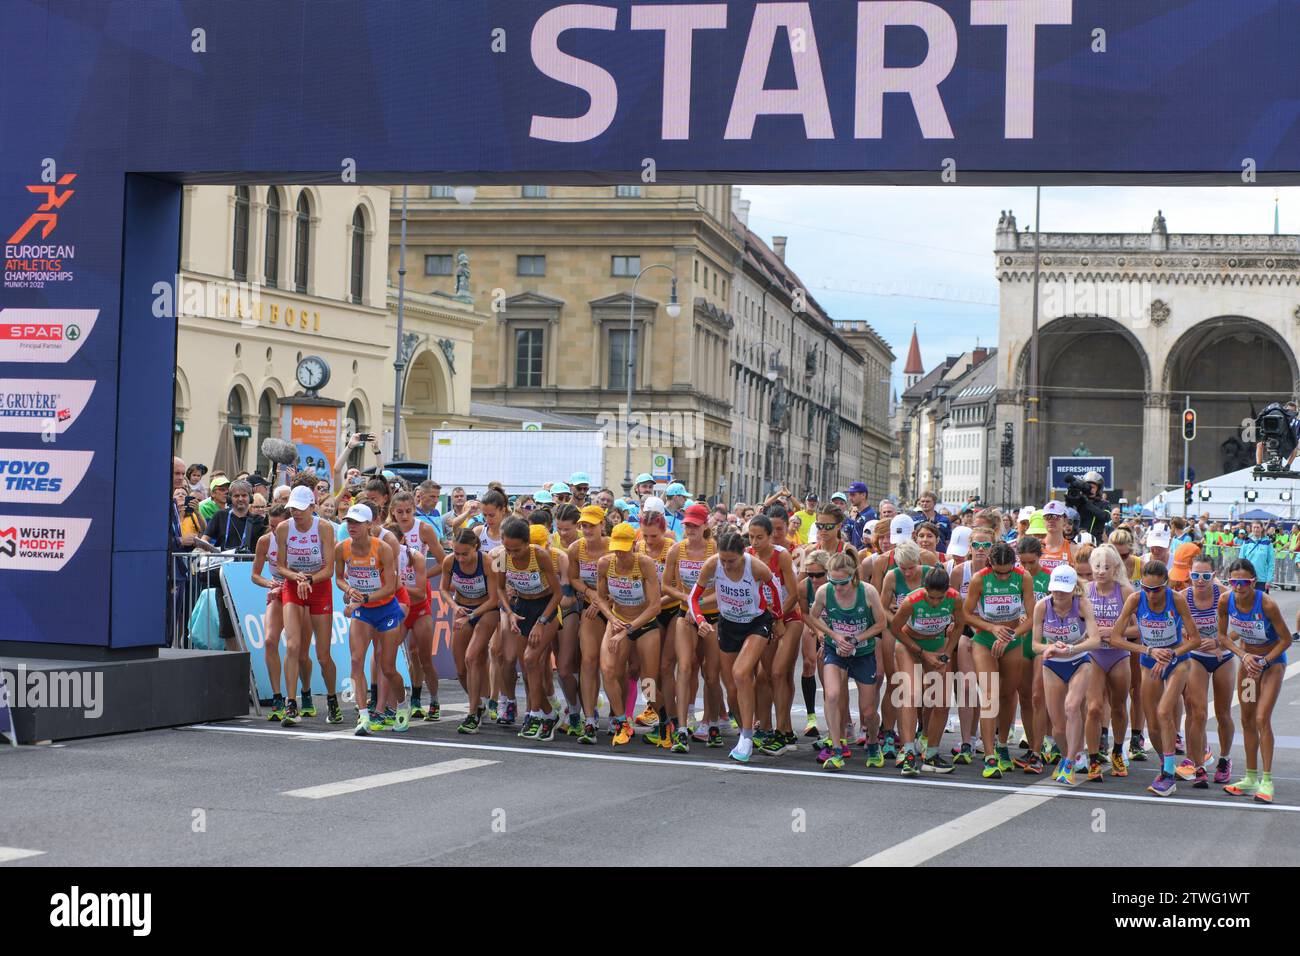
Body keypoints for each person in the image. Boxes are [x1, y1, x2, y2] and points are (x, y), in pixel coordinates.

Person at [1109, 560, 1200, 796]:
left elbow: (1195, 640)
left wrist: (1171, 654)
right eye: (1146, 589)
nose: (1150, 595)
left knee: (1163, 712)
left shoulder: (1177, 599)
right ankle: (1165, 764)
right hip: (1149, 661)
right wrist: (1149, 651)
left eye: (1156, 589)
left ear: (1166, 585)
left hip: (1177, 660)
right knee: (1152, 725)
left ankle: (1169, 775)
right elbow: (1116, 639)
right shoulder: (1135, 599)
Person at [689, 529, 781, 763]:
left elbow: (775, 587)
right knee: (731, 688)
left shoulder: (755, 566)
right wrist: (700, 620)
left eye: (731, 561)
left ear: (743, 554)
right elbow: (693, 598)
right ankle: (745, 732)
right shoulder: (712, 565)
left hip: (755, 623)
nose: (727, 566)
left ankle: (748, 737)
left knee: (741, 674)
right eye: (723, 560)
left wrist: (777, 617)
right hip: (728, 624)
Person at [1218, 558, 1293, 803]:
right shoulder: (1225, 600)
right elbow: (1222, 636)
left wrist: (1263, 661)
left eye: (1244, 582)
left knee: (1262, 718)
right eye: (1234, 582)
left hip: (1271, 663)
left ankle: (1267, 781)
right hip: (1248, 663)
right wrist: (1244, 655)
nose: (1239, 587)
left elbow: (1286, 640)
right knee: (1247, 718)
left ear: (1253, 581)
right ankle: (1251, 777)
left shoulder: (1267, 604)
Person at [805, 552, 887, 771]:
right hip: (835, 650)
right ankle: (836, 747)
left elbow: (881, 623)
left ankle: (872, 743)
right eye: (833, 581)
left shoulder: (868, 592)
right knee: (832, 695)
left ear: (853, 578)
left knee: (868, 712)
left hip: (863, 653)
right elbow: (812, 617)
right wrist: (833, 636)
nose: (837, 587)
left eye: (842, 583)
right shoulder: (824, 591)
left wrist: (856, 638)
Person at [964, 540, 1034, 778]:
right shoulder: (979, 578)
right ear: (990, 564)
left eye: (1008, 573)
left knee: (1008, 694)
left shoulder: (1023, 577)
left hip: (1012, 639)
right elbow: (966, 613)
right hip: (985, 640)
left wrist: (1010, 635)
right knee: (990, 695)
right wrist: (992, 629)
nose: (1003, 577)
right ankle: (990, 755)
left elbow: (1034, 617)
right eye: (998, 572)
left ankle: (1002, 744)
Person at [594, 522, 664, 747]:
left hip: (643, 624)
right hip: (618, 622)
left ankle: (666, 721)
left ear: (634, 545)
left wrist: (629, 629)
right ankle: (622, 721)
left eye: (625, 549)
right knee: (608, 670)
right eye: (616, 549)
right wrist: (611, 618)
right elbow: (601, 597)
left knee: (648, 683)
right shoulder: (605, 563)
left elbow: (655, 606)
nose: (620, 554)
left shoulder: (645, 563)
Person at [663, 503, 722, 751]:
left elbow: (722, 590)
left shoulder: (715, 550)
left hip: (712, 617)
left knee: (710, 674)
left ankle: (712, 723)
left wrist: (696, 603)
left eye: (694, 525)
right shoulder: (677, 549)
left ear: (705, 526)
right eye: (687, 524)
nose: (689, 529)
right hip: (685, 615)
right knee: (685, 667)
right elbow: (666, 586)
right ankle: (682, 728)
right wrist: (687, 601)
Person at [498, 516, 562, 740]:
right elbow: (498, 589)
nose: (512, 554)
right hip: (522, 607)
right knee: (527, 668)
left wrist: (541, 622)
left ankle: (535, 713)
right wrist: (509, 612)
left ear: (527, 543)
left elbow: (558, 593)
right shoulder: (503, 556)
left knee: (531, 659)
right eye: (508, 548)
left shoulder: (540, 555)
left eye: (516, 549)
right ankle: (547, 713)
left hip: (547, 609)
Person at [1084, 543, 1137, 779]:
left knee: (1118, 705)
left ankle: (1117, 750)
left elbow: (1138, 629)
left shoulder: (1125, 592)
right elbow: (1076, 625)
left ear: (1115, 567)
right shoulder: (1085, 590)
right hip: (1094, 654)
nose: (1101, 571)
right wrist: (1093, 634)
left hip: (1118, 655)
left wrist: (1116, 633)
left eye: (1106, 566)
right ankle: (1093, 758)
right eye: (1096, 566)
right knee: (1094, 707)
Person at [442, 528, 501, 733]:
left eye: (465, 554)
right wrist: (454, 606)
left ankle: (472, 713)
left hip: (486, 610)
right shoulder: (450, 561)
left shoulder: (487, 563)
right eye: (456, 553)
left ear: (476, 547)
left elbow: (495, 599)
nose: (460, 558)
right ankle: (479, 702)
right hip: (462, 608)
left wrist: (471, 615)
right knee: (460, 667)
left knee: (472, 657)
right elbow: (443, 588)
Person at [251, 505, 294, 720]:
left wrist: (284, 585)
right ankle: (278, 696)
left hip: (296, 592)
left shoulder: (296, 538)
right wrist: (270, 583)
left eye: (279, 526)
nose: (275, 530)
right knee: (270, 641)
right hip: (277, 593)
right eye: (271, 526)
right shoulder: (265, 541)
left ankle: (301, 695)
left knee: (300, 650)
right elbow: (255, 575)